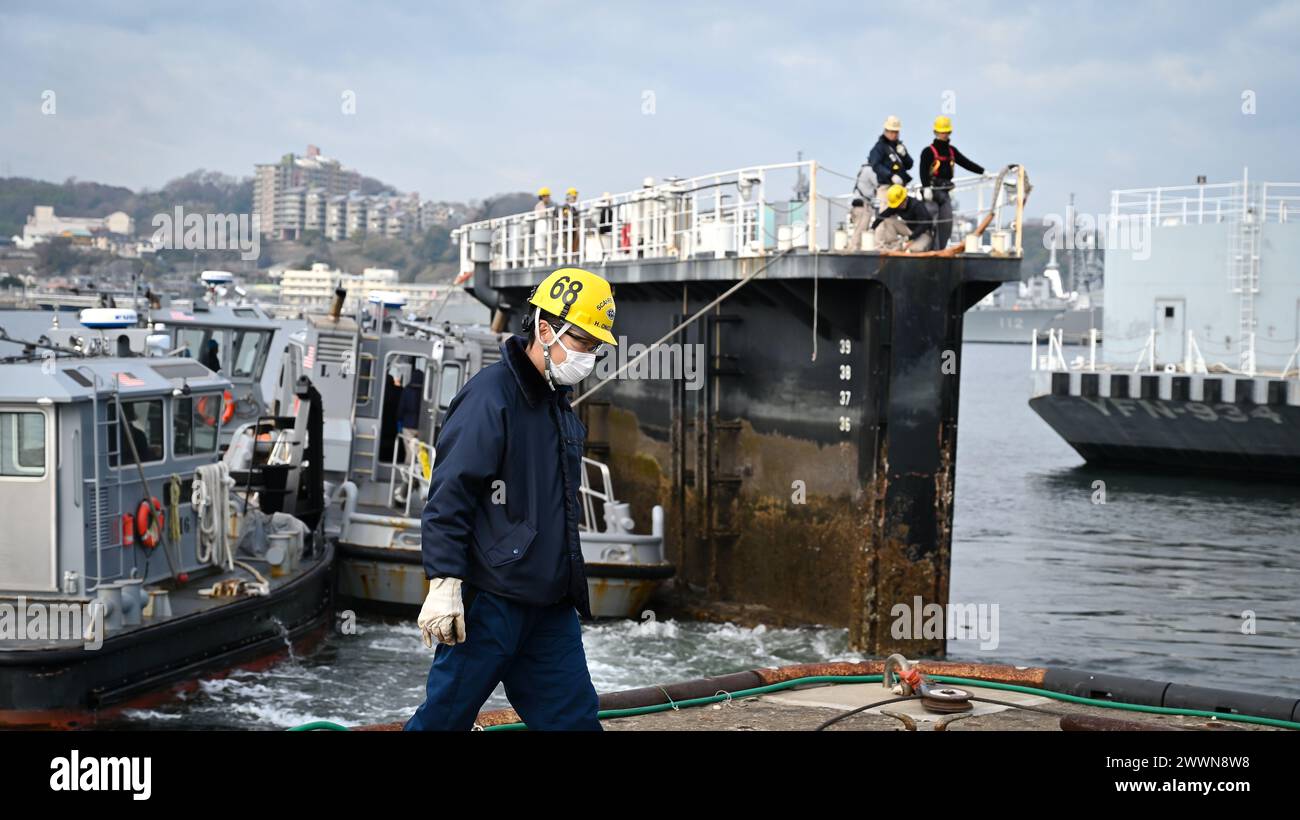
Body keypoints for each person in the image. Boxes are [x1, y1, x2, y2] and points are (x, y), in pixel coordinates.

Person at [405, 266, 618, 732]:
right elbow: (450, 494)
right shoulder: (490, 397)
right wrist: (443, 583)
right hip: (491, 602)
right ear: (545, 328)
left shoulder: (554, 402)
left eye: (596, 345)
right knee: (442, 720)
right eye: (583, 340)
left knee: (576, 723)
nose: (590, 354)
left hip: (549, 606)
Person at [918, 116, 984, 249]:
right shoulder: (928, 152)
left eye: (946, 132)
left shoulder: (951, 151)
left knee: (946, 222)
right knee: (931, 221)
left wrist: (982, 171)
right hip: (931, 193)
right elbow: (923, 170)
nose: (944, 135)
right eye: (942, 132)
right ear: (936, 132)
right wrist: (926, 188)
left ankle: (940, 250)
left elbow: (966, 163)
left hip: (945, 193)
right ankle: (928, 249)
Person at [867, 115, 913, 211]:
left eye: (896, 132)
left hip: (900, 189)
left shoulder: (899, 147)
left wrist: (904, 155)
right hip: (886, 187)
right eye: (892, 131)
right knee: (885, 216)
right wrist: (890, 176)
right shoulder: (879, 148)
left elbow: (909, 165)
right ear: (886, 131)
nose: (894, 134)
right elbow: (876, 165)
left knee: (903, 217)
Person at [872, 184, 935, 252]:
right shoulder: (897, 205)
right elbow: (883, 215)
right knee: (888, 220)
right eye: (897, 205)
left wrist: (910, 238)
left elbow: (924, 225)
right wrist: (873, 227)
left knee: (915, 250)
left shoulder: (917, 205)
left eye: (900, 204)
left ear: (905, 198)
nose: (899, 206)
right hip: (909, 231)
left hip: (923, 233)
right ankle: (894, 244)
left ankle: (909, 246)